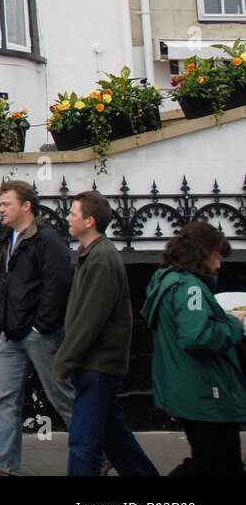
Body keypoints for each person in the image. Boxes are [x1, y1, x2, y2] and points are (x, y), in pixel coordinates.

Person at [0, 179, 74, 477]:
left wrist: (41, 326)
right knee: (4, 398)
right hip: (11, 333)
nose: (0, 209)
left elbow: (58, 283)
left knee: (62, 396)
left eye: (6, 204)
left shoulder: (47, 238)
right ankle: (2, 465)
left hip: (39, 335)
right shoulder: (8, 238)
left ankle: (99, 455)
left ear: (26, 205)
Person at [52, 191, 157, 476]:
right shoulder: (93, 254)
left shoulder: (100, 259)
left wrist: (64, 361)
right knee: (116, 438)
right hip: (95, 364)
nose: (67, 218)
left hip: (96, 365)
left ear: (89, 221)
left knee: (83, 441)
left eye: (73, 213)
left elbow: (90, 318)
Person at [141, 221, 246, 476]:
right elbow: (198, 337)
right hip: (204, 392)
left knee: (214, 462)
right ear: (203, 253)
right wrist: (234, 323)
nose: (219, 265)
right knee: (216, 464)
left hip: (189, 389)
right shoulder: (191, 289)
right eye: (217, 256)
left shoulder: (168, 280)